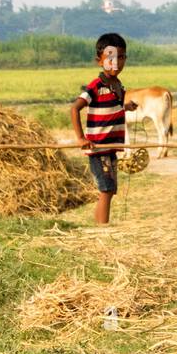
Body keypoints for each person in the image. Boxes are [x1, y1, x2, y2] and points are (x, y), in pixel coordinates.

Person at [70, 32, 137, 224]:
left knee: (110, 189)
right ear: (99, 61)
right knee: (106, 189)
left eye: (121, 57)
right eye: (110, 58)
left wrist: (126, 107)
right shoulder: (95, 86)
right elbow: (75, 108)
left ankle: (102, 226)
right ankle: (102, 229)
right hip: (98, 148)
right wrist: (81, 138)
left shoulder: (118, 86)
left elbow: (111, 107)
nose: (116, 63)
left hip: (110, 147)